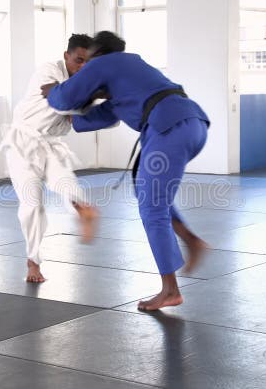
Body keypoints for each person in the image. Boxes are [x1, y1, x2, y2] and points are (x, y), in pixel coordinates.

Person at [42, 31, 210, 311]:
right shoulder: (132, 73)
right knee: (149, 195)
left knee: (152, 208)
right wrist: (71, 118)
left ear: (97, 54)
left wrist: (52, 92)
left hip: (169, 129)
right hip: (191, 124)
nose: (85, 67)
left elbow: (65, 97)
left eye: (87, 61)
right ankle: (191, 241)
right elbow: (104, 114)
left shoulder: (105, 62)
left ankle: (170, 290)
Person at [0, 34, 99, 283]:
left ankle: (83, 210)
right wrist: (98, 95)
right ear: (66, 56)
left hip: (52, 144)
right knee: (32, 204)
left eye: (88, 62)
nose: (83, 67)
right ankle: (33, 261)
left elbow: (81, 113)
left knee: (68, 183)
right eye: (78, 60)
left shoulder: (87, 83)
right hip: (22, 144)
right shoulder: (49, 71)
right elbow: (64, 102)